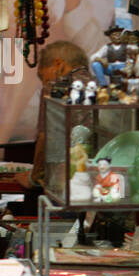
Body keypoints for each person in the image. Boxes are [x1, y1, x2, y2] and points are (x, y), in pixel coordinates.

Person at [30, 39, 91, 188]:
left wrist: (33, 178)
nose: (44, 83)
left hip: (66, 179)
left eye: (44, 78)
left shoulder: (54, 89)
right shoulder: (97, 85)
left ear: (59, 64)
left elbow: (46, 136)